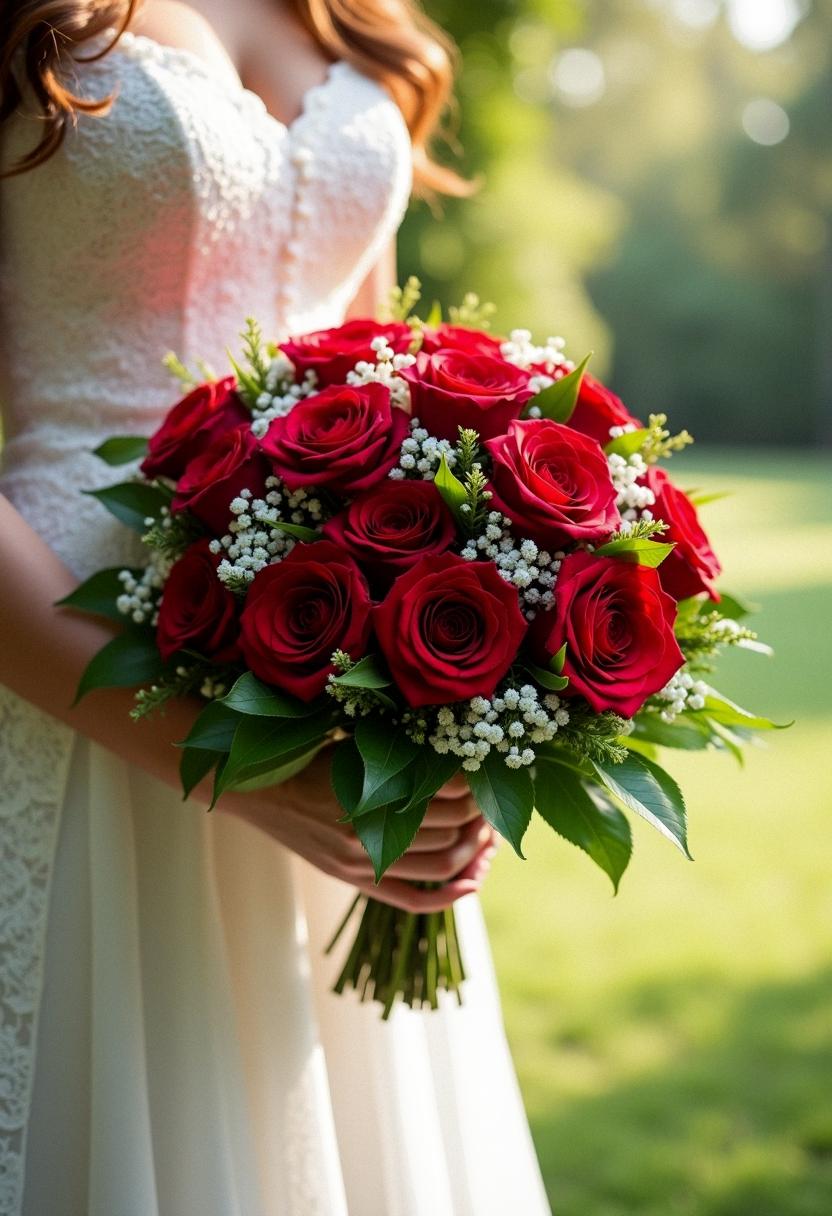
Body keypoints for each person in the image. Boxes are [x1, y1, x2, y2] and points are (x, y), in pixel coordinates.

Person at [0, 2, 552, 1212]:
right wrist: (229, 772)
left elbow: (374, 376)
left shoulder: (356, 19)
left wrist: (462, 708)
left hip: (316, 699)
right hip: (63, 677)